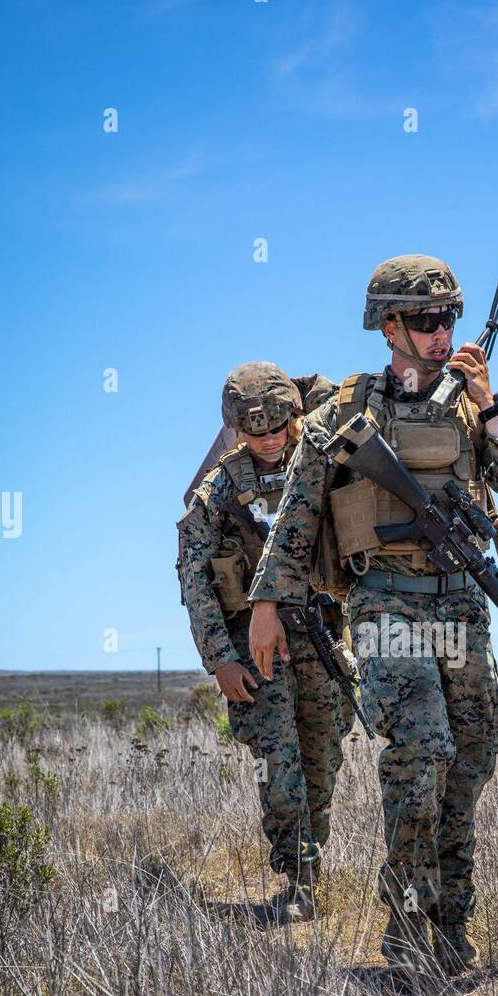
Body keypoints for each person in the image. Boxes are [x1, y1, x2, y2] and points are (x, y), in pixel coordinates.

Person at [247, 257, 498, 976]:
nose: (443, 333)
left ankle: (452, 922)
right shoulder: (345, 412)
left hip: (461, 602)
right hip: (386, 602)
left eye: (450, 317)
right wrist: (266, 604)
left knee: (474, 746)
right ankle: (407, 930)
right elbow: (295, 518)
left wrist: (492, 400)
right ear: (389, 326)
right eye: (426, 320)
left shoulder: (473, 406)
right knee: (423, 751)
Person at [177, 361, 350, 923]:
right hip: (253, 650)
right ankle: (298, 877)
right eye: (257, 431)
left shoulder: (322, 464)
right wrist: (219, 661)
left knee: (321, 756)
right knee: (280, 763)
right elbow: (194, 577)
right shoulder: (219, 491)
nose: (271, 439)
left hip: (321, 636)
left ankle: (312, 863)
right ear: (236, 430)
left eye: (280, 426)